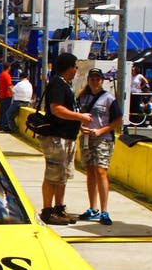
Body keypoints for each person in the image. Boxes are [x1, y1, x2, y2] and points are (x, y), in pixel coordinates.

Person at [39, 52, 93, 226]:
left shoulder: (65, 84)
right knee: (53, 174)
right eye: (75, 67)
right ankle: (47, 210)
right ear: (68, 68)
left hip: (67, 136)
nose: (76, 70)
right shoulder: (57, 84)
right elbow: (56, 109)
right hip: (57, 137)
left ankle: (59, 207)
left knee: (62, 176)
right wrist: (80, 117)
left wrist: (78, 123)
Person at [77, 68, 123, 225]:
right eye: (92, 79)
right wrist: (81, 127)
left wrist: (101, 131)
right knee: (90, 171)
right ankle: (93, 208)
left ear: (102, 81)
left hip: (103, 139)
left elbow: (118, 120)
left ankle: (104, 210)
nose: (95, 81)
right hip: (86, 138)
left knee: (101, 171)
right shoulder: (82, 97)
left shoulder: (108, 98)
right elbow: (77, 116)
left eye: (97, 79)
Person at [0, 61, 13, 130]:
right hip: (6, 95)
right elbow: (9, 86)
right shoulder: (7, 75)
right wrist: (13, 94)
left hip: (1, 95)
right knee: (6, 111)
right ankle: (4, 126)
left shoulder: (1, 74)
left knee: (1, 111)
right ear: (9, 67)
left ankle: (0, 126)